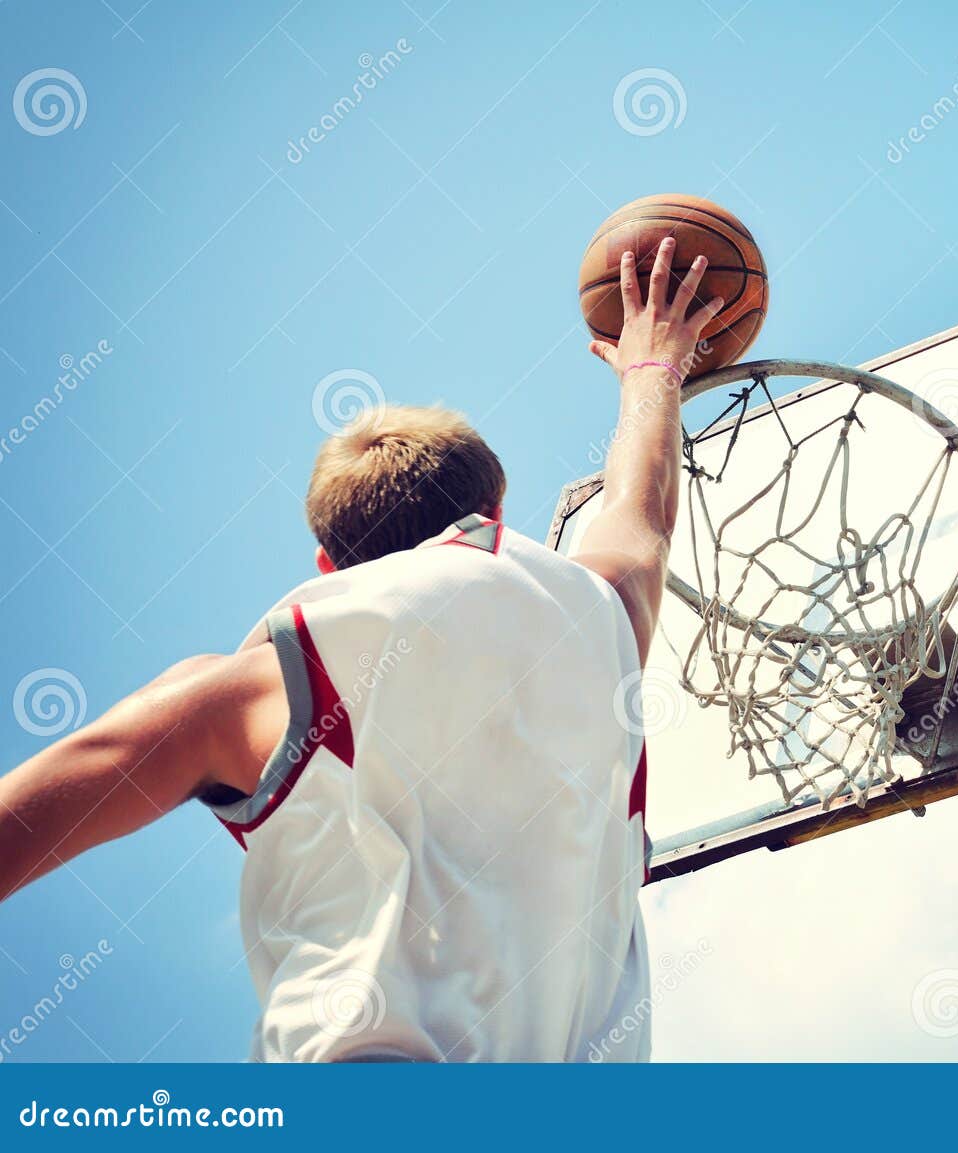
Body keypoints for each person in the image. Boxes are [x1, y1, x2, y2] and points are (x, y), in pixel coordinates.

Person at [0, 239, 721, 1061]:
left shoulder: (258, 684)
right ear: (494, 507)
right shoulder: (600, 612)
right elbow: (641, 510)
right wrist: (652, 368)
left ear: (330, 563)